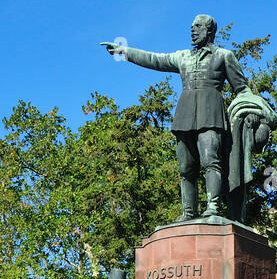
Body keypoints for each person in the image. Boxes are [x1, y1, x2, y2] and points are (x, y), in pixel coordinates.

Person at [103, 14, 248, 219]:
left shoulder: (224, 56)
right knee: (186, 167)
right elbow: (154, 59)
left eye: (197, 26)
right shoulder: (183, 57)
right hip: (185, 114)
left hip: (211, 113)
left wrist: (248, 111)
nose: (192, 30)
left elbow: (242, 89)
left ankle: (213, 207)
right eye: (191, 27)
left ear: (209, 30)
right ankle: (189, 212)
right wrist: (123, 51)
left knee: (210, 161)